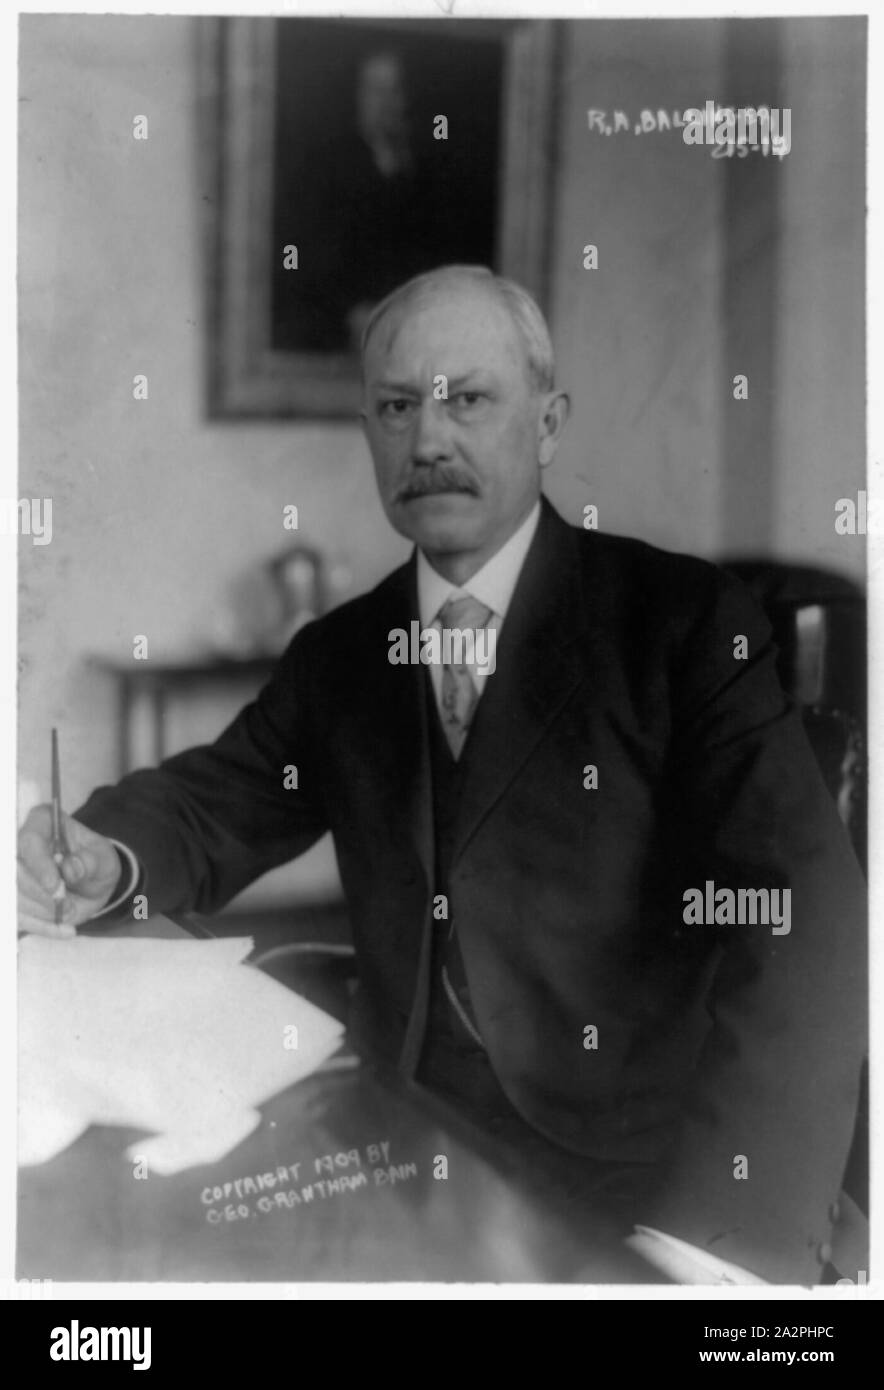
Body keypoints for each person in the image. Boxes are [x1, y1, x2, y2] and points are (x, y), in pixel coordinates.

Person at [18, 265, 866, 1285]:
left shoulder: (682, 625)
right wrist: (107, 857)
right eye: (394, 406)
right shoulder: (340, 652)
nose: (427, 439)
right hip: (407, 1128)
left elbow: (804, 919)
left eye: (468, 398)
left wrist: (712, 1242)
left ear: (546, 424)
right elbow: (215, 801)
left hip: (636, 1173)